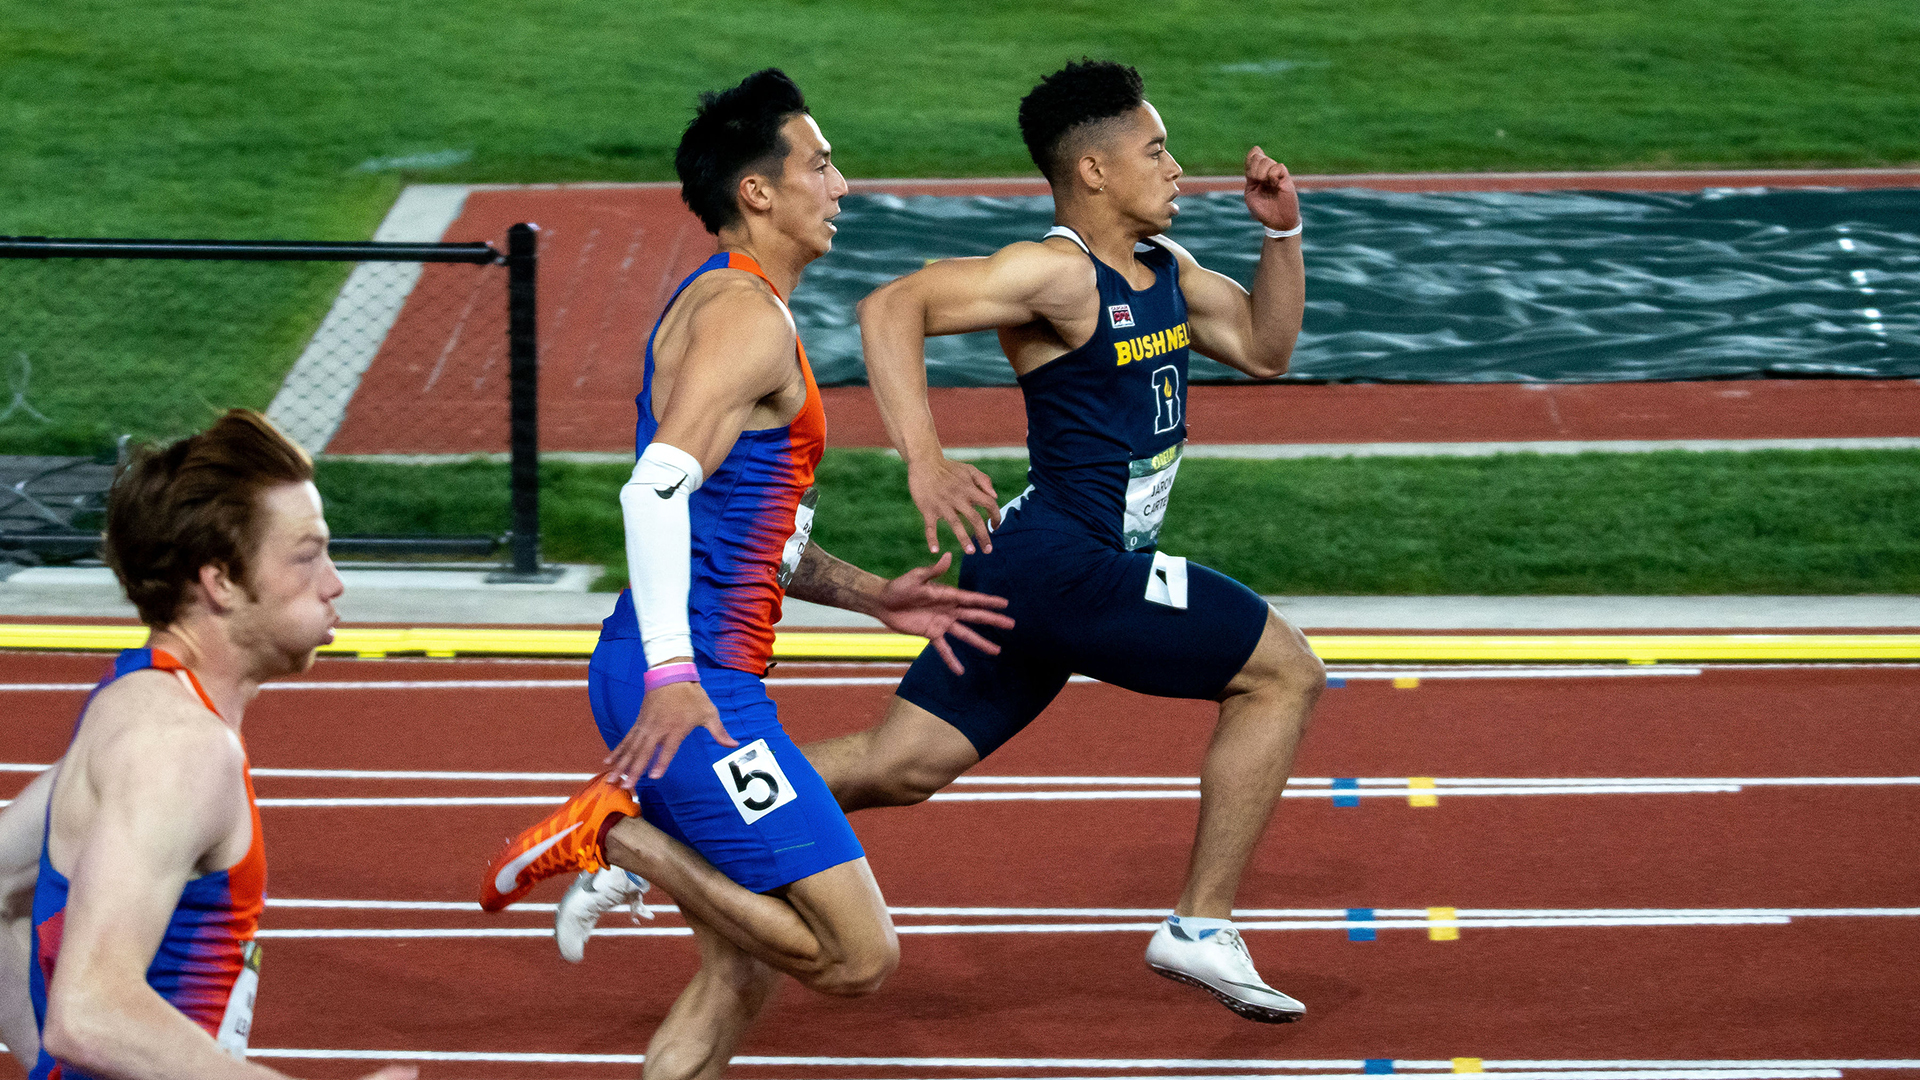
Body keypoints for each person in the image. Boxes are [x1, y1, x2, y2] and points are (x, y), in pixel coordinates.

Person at [479, 69, 1012, 1080]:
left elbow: (740, 531)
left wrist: (871, 595)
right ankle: (619, 840)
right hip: (693, 693)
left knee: (740, 969)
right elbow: (653, 492)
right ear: (757, 191)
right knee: (857, 955)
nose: (842, 185)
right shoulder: (745, 318)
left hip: (682, 675)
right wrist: (677, 675)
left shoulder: (733, 303)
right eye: (822, 165)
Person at [800, 59, 1327, 1023]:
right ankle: (1200, 925)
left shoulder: (1167, 271)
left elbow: (1266, 348)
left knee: (897, 765)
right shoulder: (1059, 273)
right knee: (1283, 672)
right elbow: (889, 307)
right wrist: (925, 457)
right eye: (1156, 150)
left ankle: (679, 815)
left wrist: (1282, 233)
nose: (1176, 167)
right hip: (1062, 564)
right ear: (1093, 171)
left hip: (1044, 572)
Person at [10, 409, 414, 1080]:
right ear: (219, 581)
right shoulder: (179, 747)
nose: (334, 582)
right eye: (307, 555)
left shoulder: (133, 704)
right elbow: (88, 1011)